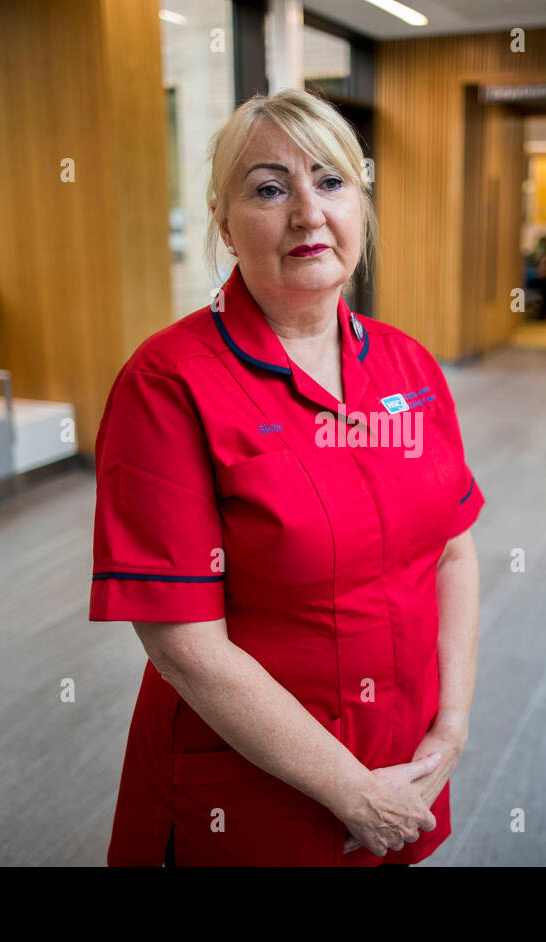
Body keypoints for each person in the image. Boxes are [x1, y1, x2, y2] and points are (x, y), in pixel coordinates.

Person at [89, 88, 485, 867]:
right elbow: (184, 646)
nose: (308, 213)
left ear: (360, 205)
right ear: (224, 221)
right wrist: (353, 791)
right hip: (250, 791)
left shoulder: (408, 364)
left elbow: (454, 553)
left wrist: (453, 725)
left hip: (405, 759)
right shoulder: (168, 383)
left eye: (330, 181)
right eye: (270, 189)